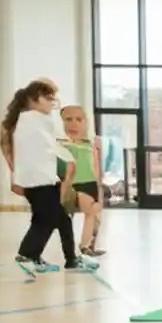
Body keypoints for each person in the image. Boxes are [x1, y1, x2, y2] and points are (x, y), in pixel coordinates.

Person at [0, 80, 97, 275]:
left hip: (35, 180)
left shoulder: (23, 120)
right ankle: (27, 255)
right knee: (47, 219)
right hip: (41, 181)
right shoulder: (37, 120)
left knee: (60, 219)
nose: (52, 103)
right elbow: (51, 147)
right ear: (34, 100)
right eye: (48, 98)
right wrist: (70, 160)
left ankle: (69, 259)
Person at [59, 104, 105, 257]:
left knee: (95, 216)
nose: (74, 124)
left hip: (91, 184)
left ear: (85, 122)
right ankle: (83, 247)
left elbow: (96, 166)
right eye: (69, 119)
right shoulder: (62, 145)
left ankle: (88, 246)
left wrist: (99, 185)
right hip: (74, 185)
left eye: (79, 119)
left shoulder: (90, 145)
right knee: (90, 210)